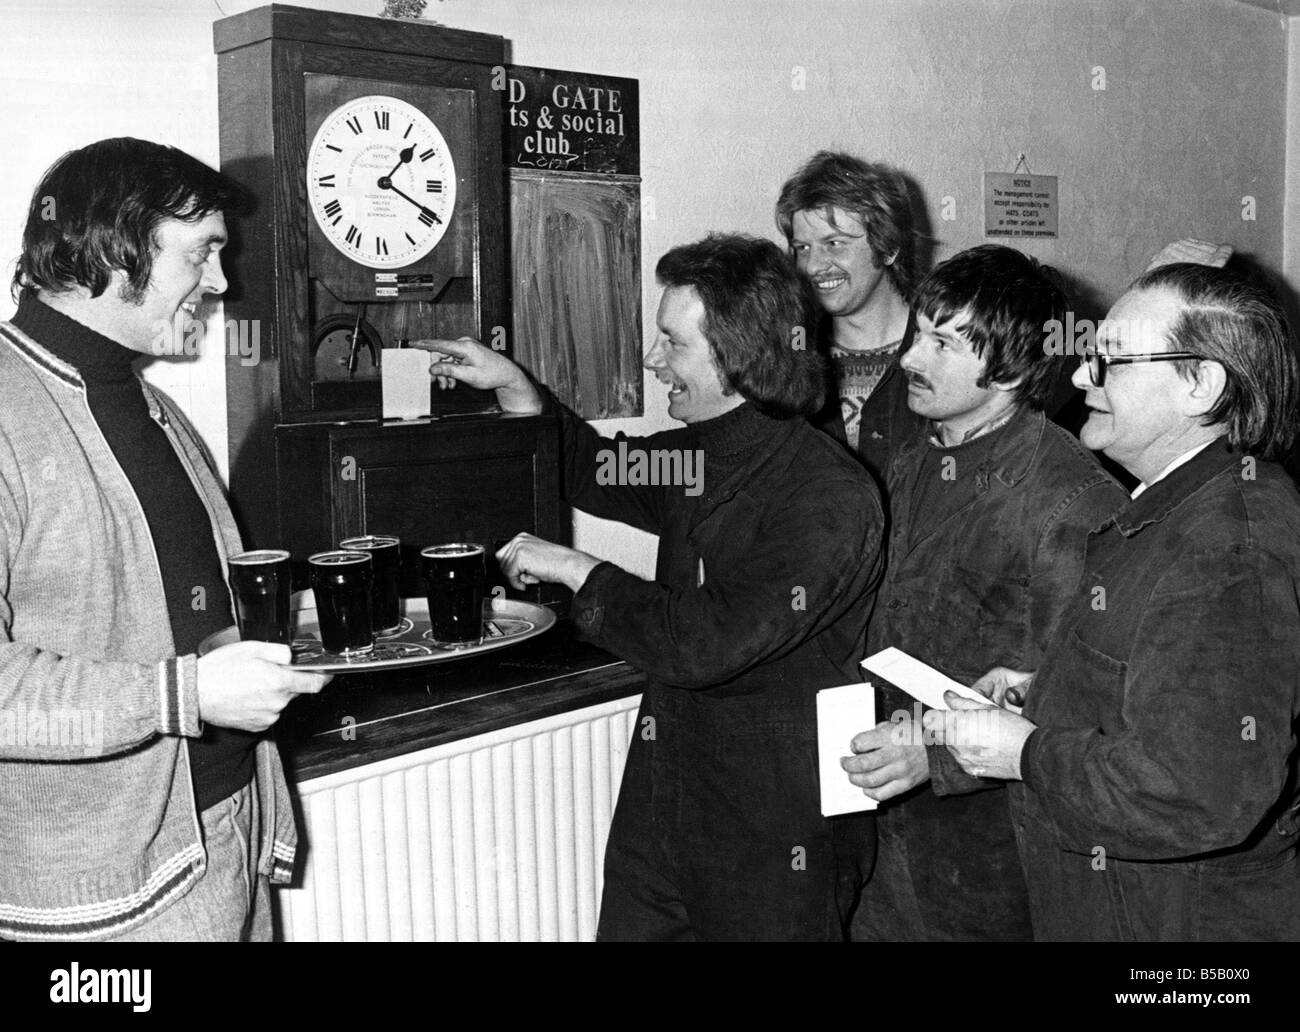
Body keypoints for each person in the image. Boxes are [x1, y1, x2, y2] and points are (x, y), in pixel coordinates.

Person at [414, 234, 884, 940]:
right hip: (667, 803)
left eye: (673, 344)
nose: (652, 359)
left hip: (778, 830)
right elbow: (598, 467)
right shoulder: (698, 458)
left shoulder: (829, 497)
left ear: (740, 359)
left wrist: (578, 571)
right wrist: (515, 385)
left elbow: (708, 640)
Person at [0, 138, 328, 942]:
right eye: (202, 253)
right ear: (112, 248)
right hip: (107, 898)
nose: (222, 283)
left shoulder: (156, 410)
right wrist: (183, 696)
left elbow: (187, 618)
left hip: (227, 831)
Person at [935, 261, 1300, 940]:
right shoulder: (1179, 507)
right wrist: (1045, 692)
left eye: (1109, 361)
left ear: (1200, 384)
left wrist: (1027, 752)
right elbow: (1161, 679)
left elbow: (1197, 792)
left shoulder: (1226, 551)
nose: (1080, 378)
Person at [839, 244, 1127, 941]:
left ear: (1012, 366)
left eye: (942, 342)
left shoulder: (1073, 500)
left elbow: (1075, 698)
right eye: (919, 333)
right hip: (883, 830)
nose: (910, 358)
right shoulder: (915, 460)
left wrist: (930, 754)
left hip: (993, 853)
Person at [775, 151, 924, 484]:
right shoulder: (790, 358)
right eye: (802, 248)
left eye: (834, 243)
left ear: (888, 247)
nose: (813, 266)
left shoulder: (950, 351)